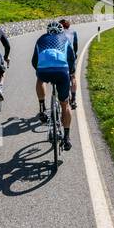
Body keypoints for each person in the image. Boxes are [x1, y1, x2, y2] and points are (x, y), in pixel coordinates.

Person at [33, 21, 76, 151]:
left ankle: (42, 107)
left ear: (48, 31)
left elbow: (34, 61)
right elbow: (71, 59)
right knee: (65, 105)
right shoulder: (65, 38)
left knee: (40, 80)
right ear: (61, 31)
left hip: (44, 70)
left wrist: (39, 70)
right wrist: (71, 72)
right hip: (62, 71)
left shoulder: (40, 39)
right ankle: (67, 138)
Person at [59, 18, 79, 109]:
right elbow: (75, 46)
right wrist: (75, 54)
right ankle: (74, 99)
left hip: (59, 58)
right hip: (70, 58)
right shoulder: (73, 32)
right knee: (72, 76)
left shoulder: (58, 33)